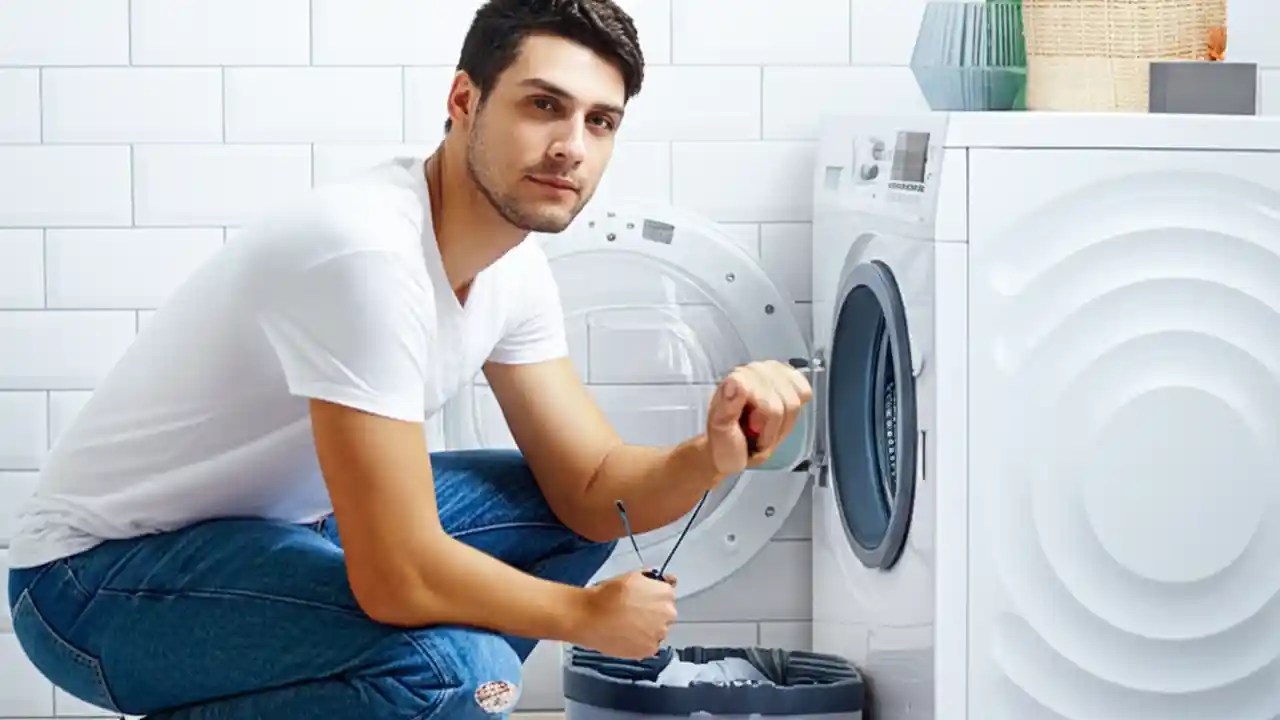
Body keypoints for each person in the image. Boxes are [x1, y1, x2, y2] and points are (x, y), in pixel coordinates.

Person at [4, 1, 813, 718]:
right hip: (90, 584)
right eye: (543, 106)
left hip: (279, 529)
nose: (571, 147)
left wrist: (711, 455)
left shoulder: (512, 264)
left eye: (600, 122)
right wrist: (583, 616)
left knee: (549, 524)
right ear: (464, 101)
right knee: (458, 673)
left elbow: (596, 492)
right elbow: (393, 578)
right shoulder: (365, 255)